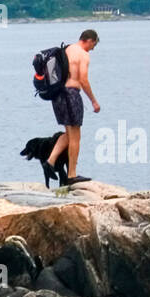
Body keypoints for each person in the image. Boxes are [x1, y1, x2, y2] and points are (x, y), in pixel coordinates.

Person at [46, 29, 100, 185]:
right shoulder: (83, 55)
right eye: (93, 45)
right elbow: (83, 80)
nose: (92, 49)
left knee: (69, 134)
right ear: (89, 40)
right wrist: (93, 101)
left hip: (58, 95)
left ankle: (50, 162)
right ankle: (72, 175)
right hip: (71, 94)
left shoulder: (67, 49)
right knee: (76, 136)